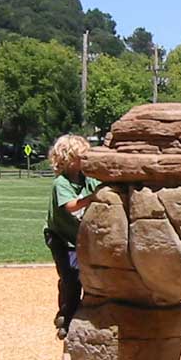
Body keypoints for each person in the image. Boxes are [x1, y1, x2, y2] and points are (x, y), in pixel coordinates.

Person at [44, 134, 101, 340]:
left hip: (79, 237)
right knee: (71, 278)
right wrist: (91, 198)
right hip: (60, 238)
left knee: (88, 276)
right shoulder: (61, 183)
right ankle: (67, 318)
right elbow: (70, 206)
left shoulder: (89, 180)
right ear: (67, 159)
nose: (85, 160)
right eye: (81, 157)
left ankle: (79, 313)